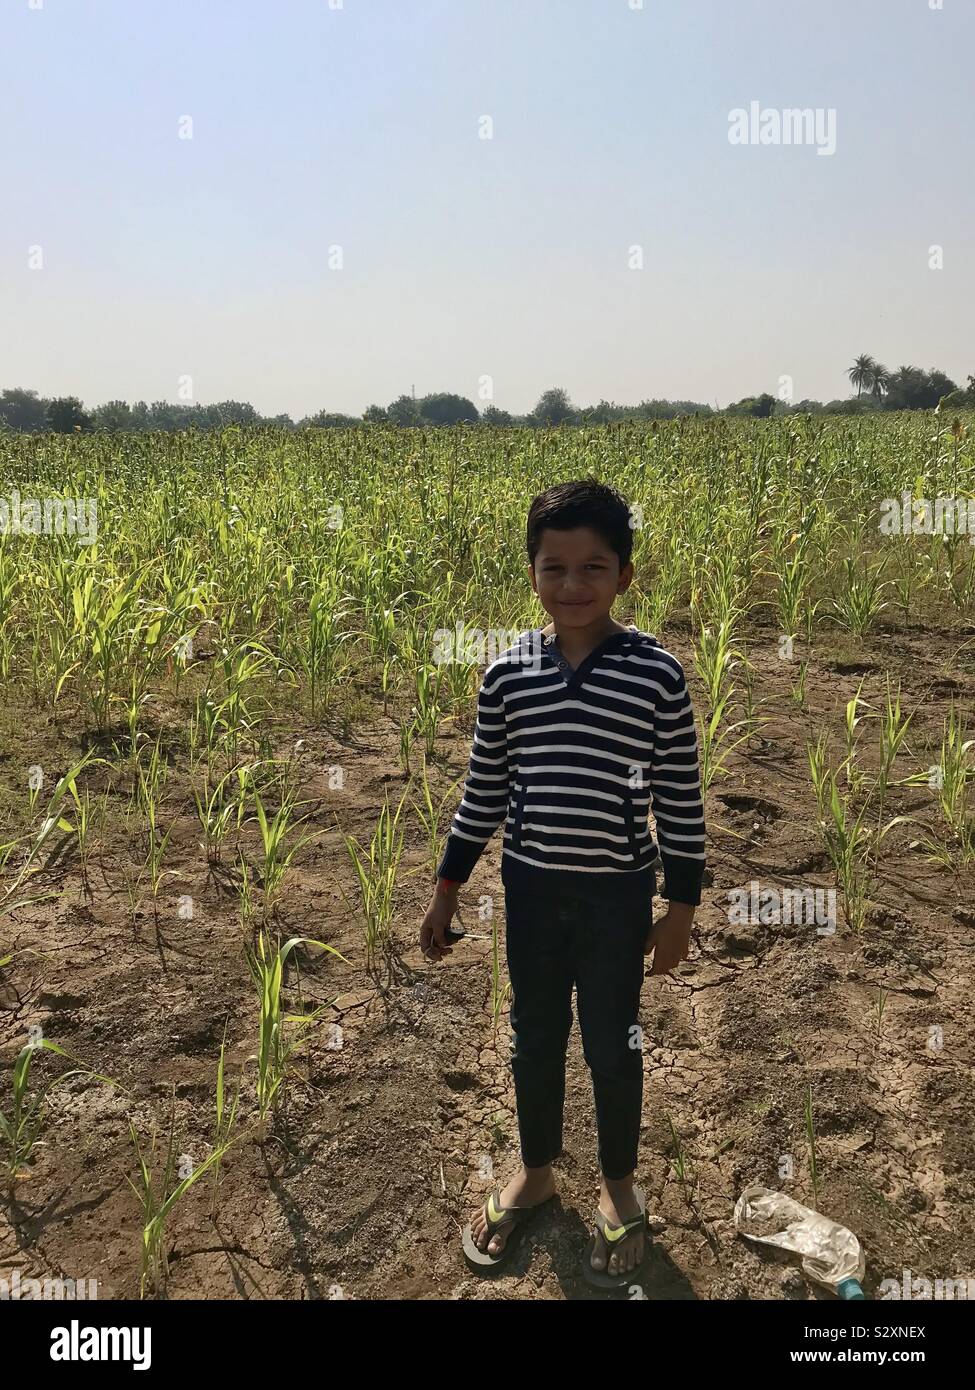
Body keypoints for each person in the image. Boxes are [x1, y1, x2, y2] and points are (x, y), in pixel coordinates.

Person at [419, 477, 706, 1286]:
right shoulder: (509, 675)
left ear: (624, 575)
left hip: (618, 898)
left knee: (615, 1045)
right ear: (531, 572)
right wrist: (446, 887)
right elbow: (483, 789)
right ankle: (537, 1171)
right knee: (533, 1036)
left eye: (594, 567)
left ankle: (619, 1186)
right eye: (555, 568)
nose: (573, 586)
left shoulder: (655, 675)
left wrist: (679, 907)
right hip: (532, 895)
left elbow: (679, 799)